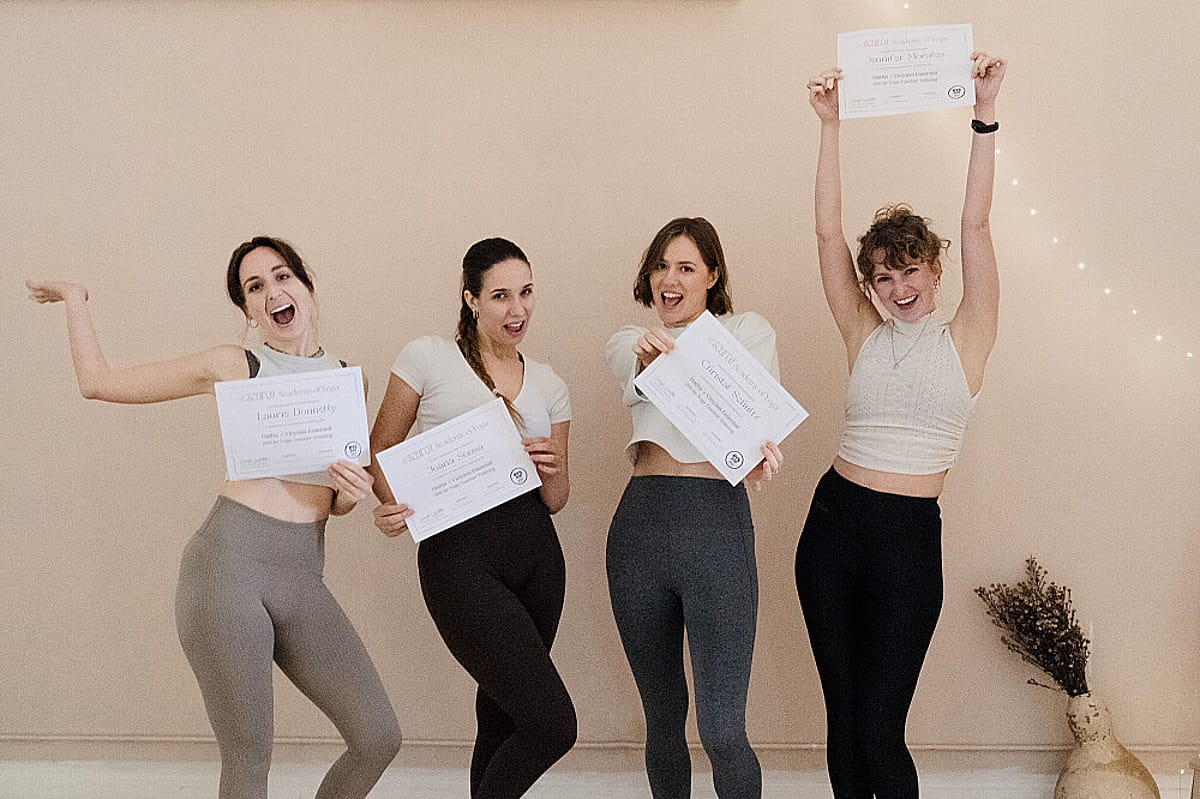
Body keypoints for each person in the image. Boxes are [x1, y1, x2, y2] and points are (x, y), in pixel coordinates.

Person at [26, 236, 401, 799]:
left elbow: (336, 499)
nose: (273, 291)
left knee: (378, 737)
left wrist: (353, 492)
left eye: (282, 277)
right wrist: (75, 300)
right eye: (255, 287)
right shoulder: (234, 364)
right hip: (227, 570)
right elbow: (98, 383)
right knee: (249, 760)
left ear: (307, 287)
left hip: (302, 576)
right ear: (249, 312)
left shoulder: (350, 379)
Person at [794, 53, 1007, 797]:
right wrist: (830, 126)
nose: (897, 287)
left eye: (909, 270)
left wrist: (983, 115)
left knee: (882, 729)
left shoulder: (967, 337)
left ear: (935, 269)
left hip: (908, 543)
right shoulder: (862, 332)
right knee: (845, 723)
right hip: (833, 526)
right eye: (883, 276)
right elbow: (827, 238)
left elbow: (975, 219)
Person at [368, 237, 576, 798]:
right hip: (458, 560)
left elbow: (556, 498)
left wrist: (553, 468)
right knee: (553, 724)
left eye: (527, 293)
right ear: (471, 300)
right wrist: (393, 510)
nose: (518, 309)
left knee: (503, 716)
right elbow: (380, 448)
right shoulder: (427, 357)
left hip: (538, 560)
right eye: (501, 295)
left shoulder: (550, 383)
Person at [605, 217, 783, 799]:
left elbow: (754, 416)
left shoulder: (748, 331)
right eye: (660, 266)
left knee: (722, 728)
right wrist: (651, 358)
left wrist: (754, 448)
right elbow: (640, 374)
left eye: (685, 267)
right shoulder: (630, 340)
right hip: (639, 535)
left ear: (713, 275)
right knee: (662, 722)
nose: (669, 279)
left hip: (717, 534)